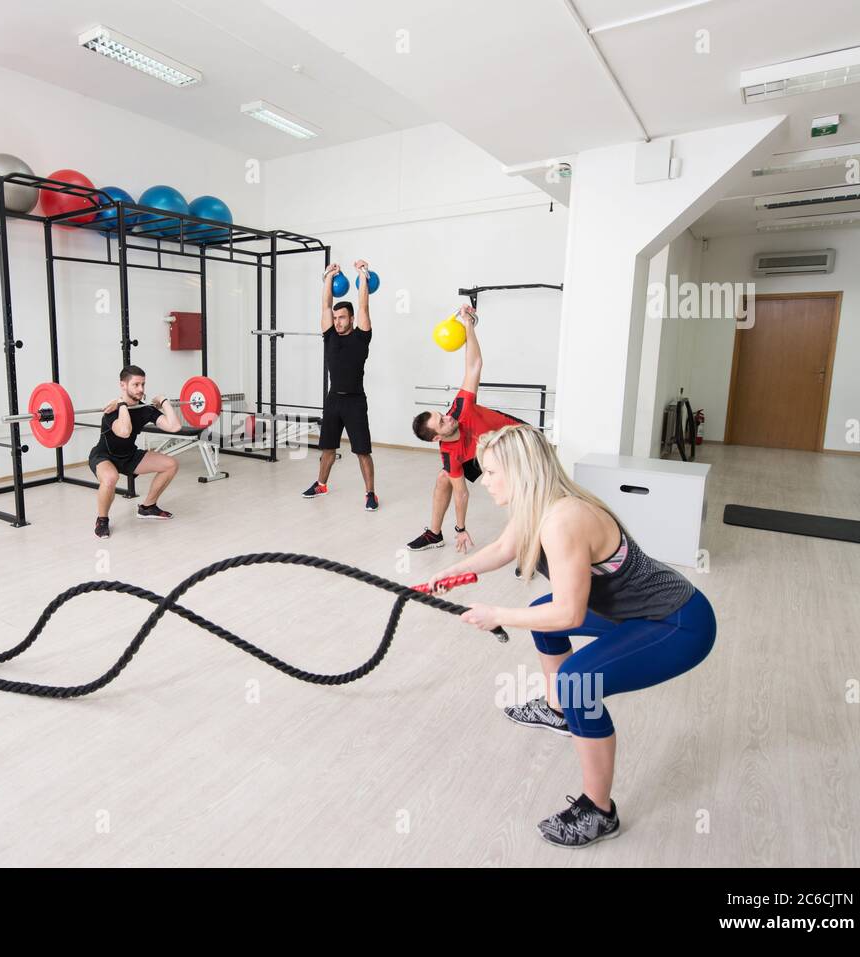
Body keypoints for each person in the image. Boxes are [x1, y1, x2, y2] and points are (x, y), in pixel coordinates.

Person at [427, 424, 716, 848]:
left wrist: (496, 614)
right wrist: (453, 573)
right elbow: (506, 548)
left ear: (520, 471)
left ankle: (600, 811)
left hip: (678, 623)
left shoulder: (564, 520)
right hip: (632, 614)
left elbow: (568, 613)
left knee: (578, 680)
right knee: (541, 617)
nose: (483, 481)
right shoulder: (537, 506)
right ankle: (560, 712)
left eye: (490, 472)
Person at [407, 305, 522, 553]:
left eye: (443, 414)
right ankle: (434, 534)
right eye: (442, 422)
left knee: (520, 488)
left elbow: (474, 365)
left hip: (514, 439)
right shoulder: (450, 454)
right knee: (444, 478)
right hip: (482, 449)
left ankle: (528, 545)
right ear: (438, 437)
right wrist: (461, 528)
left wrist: (468, 324)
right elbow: (462, 493)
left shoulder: (461, 409)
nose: (448, 417)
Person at [302, 259, 377, 511]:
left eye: (342, 317)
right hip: (333, 399)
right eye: (335, 317)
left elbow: (364, 304)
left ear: (352, 318)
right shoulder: (329, 336)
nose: (337, 321)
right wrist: (328, 278)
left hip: (355, 400)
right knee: (327, 449)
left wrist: (362, 276)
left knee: (362, 452)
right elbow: (325, 305)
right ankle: (321, 484)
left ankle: (370, 493)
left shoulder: (361, 336)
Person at [89, 365, 184, 538]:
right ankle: (102, 520)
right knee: (110, 478)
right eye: (136, 385)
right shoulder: (112, 410)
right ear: (123, 385)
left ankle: (148, 507)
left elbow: (175, 426)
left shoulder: (145, 409)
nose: (141, 389)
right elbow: (124, 431)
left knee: (171, 464)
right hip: (104, 456)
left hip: (129, 455)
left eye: (143, 384)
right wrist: (122, 404)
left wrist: (164, 401)